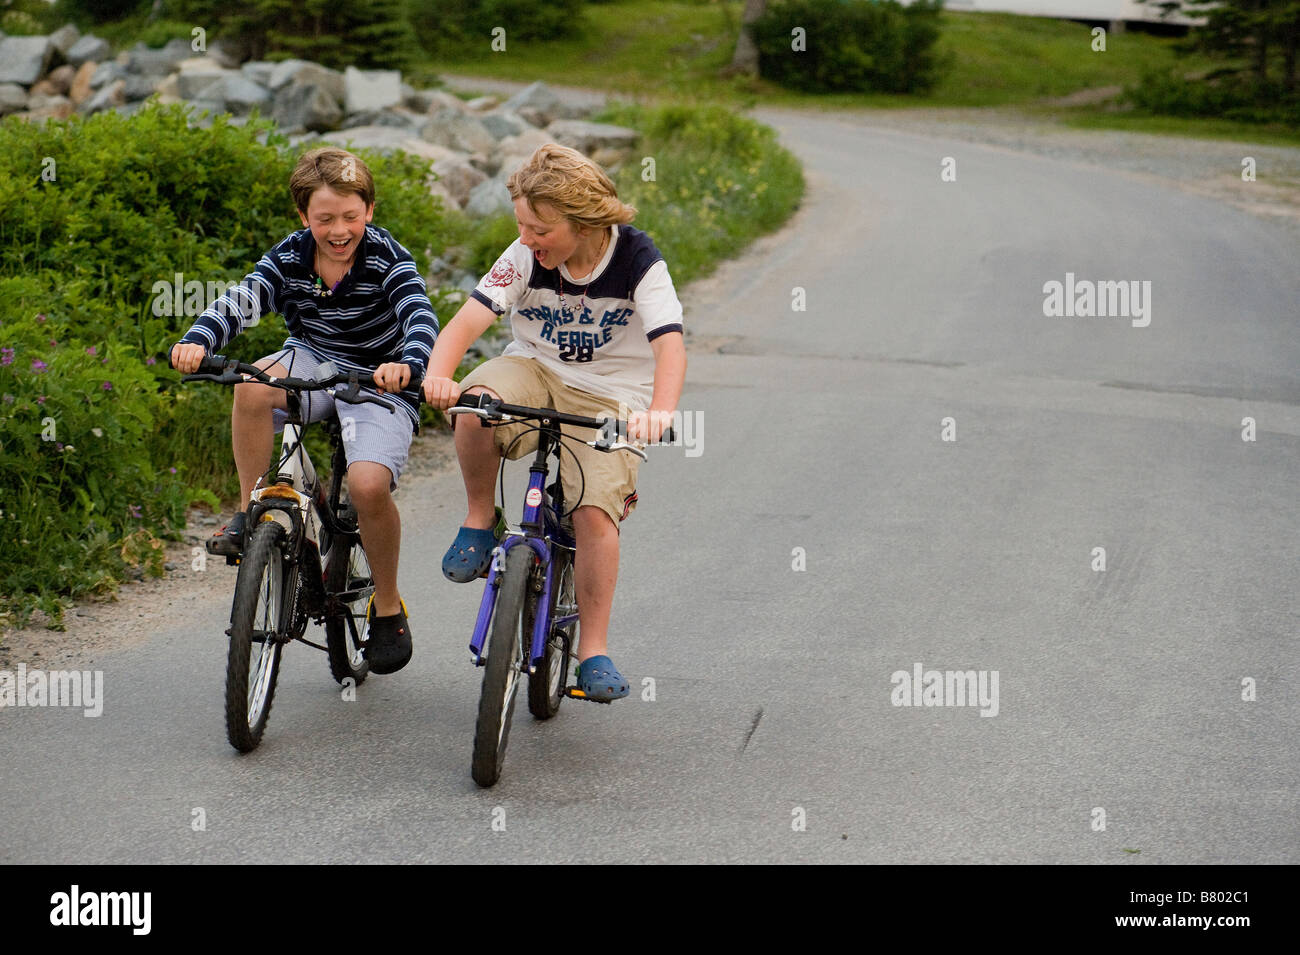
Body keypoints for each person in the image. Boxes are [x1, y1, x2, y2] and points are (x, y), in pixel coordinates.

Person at [423, 143, 686, 703]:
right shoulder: (524, 256)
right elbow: (465, 323)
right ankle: (478, 518)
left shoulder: (639, 260)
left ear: (584, 221)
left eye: (538, 228)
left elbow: (670, 346)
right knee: (474, 406)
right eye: (520, 224)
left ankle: (592, 649)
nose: (526, 238)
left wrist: (659, 411)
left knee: (593, 511)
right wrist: (441, 375)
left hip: (612, 399)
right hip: (535, 370)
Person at [170, 147, 437, 675]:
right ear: (303, 217)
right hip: (314, 361)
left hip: (379, 379)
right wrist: (198, 339)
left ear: (370, 211)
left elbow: (420, 317)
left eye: (350, 217)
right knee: (250, 387)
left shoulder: (389, 259)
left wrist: (408, 362)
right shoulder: (291, 256)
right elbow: (243, 300)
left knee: (365, 487)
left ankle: (386, 605)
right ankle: (254, 509)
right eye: (325, 219)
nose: (339, 230)